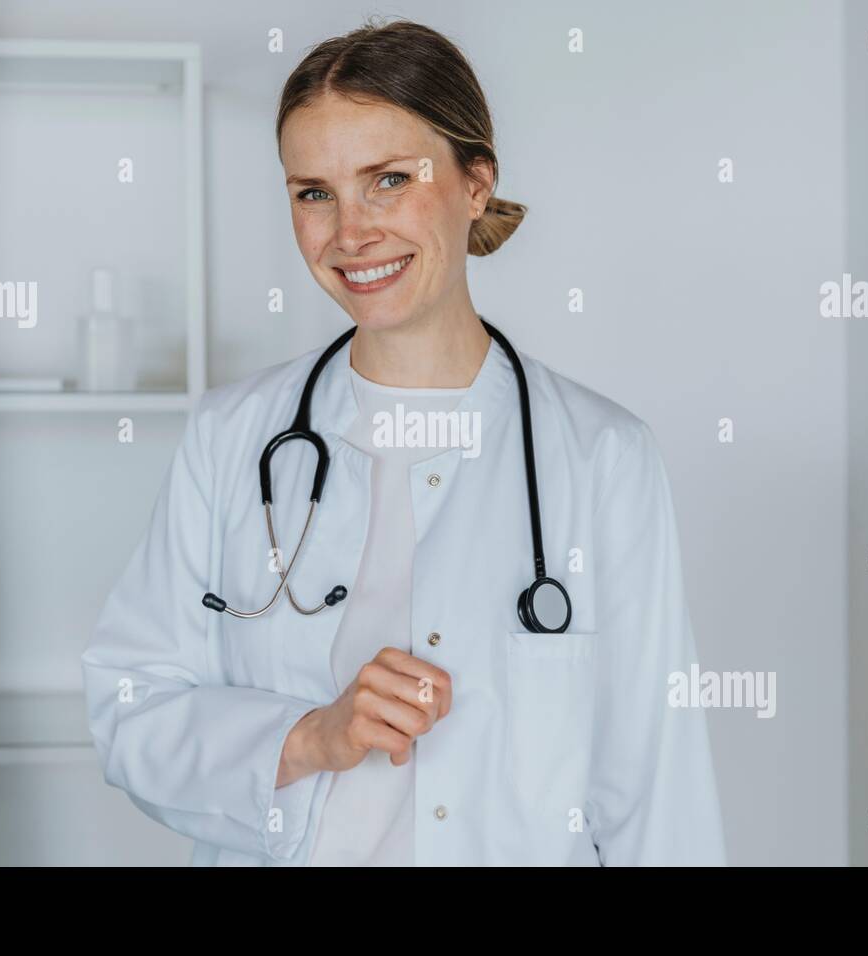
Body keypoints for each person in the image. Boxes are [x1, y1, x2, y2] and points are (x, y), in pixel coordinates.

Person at [81, 18, 725, 867]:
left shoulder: (602, 457)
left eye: (388, 180)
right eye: (314, 192)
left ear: (475, 183)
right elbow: (132, 708)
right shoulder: (232, 439)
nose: (350, 232)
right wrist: (312, 735)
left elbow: (655, 792)